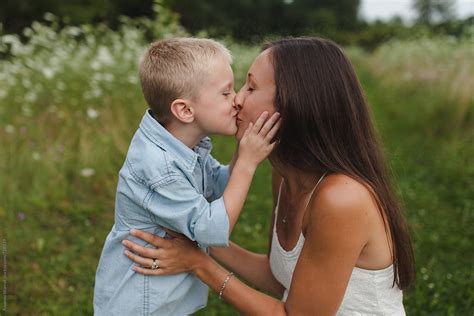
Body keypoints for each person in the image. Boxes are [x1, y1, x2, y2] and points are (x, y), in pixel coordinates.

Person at [122, 37, 416, 315]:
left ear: (294, 103)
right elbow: (278, 278)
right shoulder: (285, 175)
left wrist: (201, 265)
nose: (236, 99)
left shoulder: (341, 199)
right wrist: (193, 243)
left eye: (250, 88)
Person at [93, 38, 280, 315]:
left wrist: (243, 151)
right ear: (185, 110)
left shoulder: (185, 143)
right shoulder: (159, 166)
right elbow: (212, 228)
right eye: (226, 93)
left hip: (163, 300)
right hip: (140, 304)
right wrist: (247, 165)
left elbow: (219, 187)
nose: (237, 100)